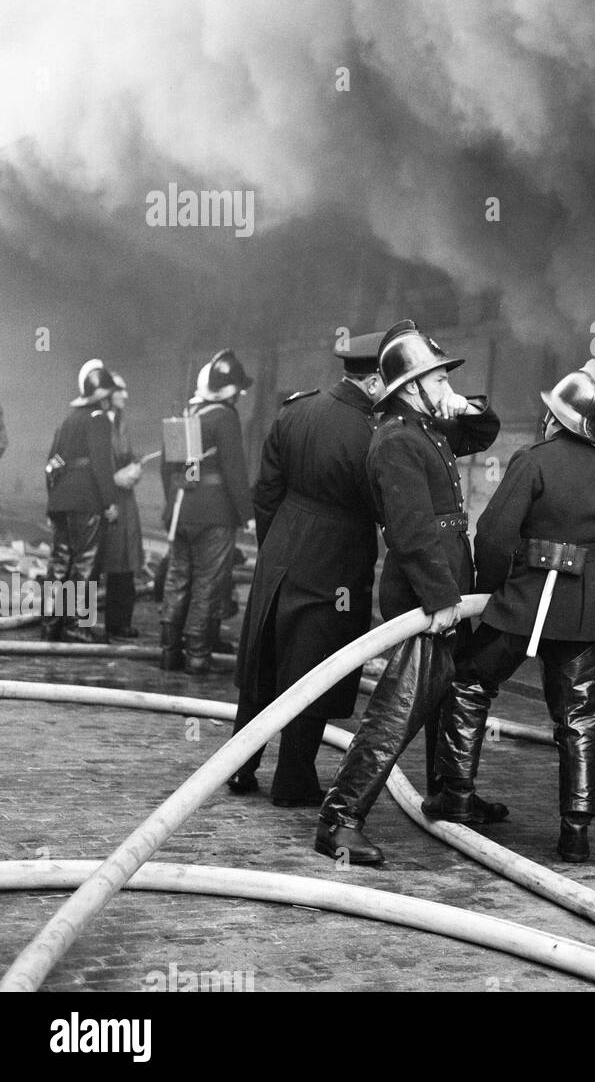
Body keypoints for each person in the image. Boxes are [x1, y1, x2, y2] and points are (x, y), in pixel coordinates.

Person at [429, 359, 595, 864]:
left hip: (525, 600)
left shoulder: (532, 460)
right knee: (582, 717)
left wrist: (489, 596)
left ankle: (455, 797)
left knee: (469, 683)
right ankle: (575, 833)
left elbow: (496, 535)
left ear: (555, 419)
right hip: (586, 611)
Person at [314, 319, 499, 866]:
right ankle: (339, 820)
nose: (446, 387)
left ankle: (450, 796)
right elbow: (412, 532)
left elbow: (483, 431)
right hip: (424, 596)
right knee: (398, 709)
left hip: (443, 589)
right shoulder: (397, 440)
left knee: (445, 693)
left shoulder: (427, 429)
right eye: (438, 379)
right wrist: (441, 600)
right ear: (412, 386)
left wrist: (462, 404)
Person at [226, 332, 385, 807]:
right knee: (314, 667)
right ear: (375, 381)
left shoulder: (294, 410)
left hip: (281, 550)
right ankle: (293, 780)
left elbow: (265, 492)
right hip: (335, 562)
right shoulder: (373, 433)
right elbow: (378, 504)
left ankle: (239, 767)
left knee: (264, 659)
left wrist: (274, 546)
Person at [158, 350, 254, 676]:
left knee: (178, 580)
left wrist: (171, 507)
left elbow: (167, 469)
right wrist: (248, 514)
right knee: (207, 583)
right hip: (214, 514)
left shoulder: (188, 413)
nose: (240, 393)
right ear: (225, 389)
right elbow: (234, 470)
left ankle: (169, 654)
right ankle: (197, 657)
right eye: (237, 387)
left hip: (181, 511)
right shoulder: (225, 417)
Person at [43, 360, 117, 643]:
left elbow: (54, 461)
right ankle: (77, 626)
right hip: (86, 501)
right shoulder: (98, 419)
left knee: (59, 565)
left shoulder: (69, 419)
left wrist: (54, 501)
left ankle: (51, 624)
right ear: (104, 395)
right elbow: (100, 464)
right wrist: (109, 501)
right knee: (85, 565)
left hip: (62, 499)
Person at [97, 373, 144, 640]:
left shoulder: (123, 423)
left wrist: (134, 468)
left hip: (123, 502)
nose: (126, 395)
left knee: (124, 561)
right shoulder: (92, 421)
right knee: (87, 564)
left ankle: (118, 622)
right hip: (101, 501)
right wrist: (114, 478)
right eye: (120, 390)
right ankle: (75, 624)